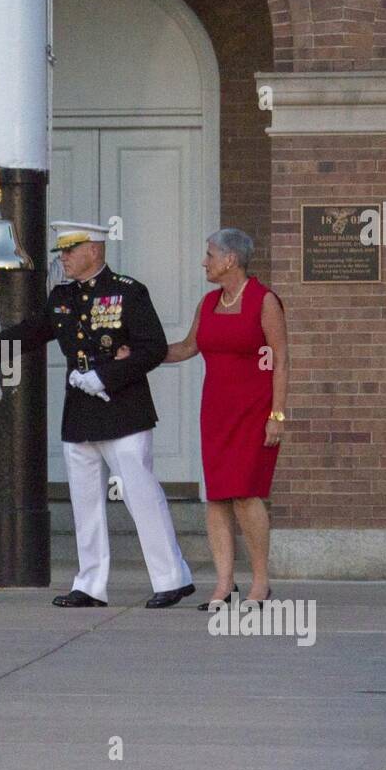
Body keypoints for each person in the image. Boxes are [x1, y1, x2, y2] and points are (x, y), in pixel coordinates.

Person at [0, 221, 196, 608]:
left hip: (123, 409)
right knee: (85, 501)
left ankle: (171, 577)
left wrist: (107, 375)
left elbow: (153, 348)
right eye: (61, 251)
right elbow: (31, 332)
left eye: (70, 250)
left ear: (94, 250)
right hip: (80, 411)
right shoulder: (62, 297)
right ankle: (90, 584)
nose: (63, 257)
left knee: (140, 494)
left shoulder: (128, 292)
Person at [160, 228, 288, 608]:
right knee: (216, 497)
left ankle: (260, 583)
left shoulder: (264, 302)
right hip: (215, 411)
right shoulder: (209, 302)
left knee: (246, 494)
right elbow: (186, 347)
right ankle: (224, 584)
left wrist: (276, 415)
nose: (205, 262)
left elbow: (281, 361)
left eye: (210, 255)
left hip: (253, 412)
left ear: (230, 259)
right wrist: (141, 353)